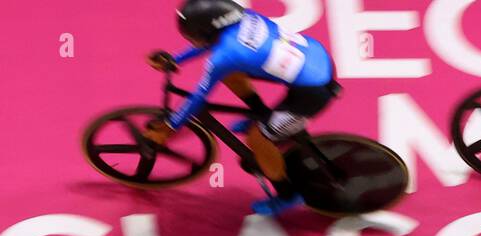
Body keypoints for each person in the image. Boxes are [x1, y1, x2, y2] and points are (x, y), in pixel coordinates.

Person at [145, 0, 339, 217]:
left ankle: (288, 194)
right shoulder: (245, 18)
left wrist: (171, 126)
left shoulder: (225, 56)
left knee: (257, 139)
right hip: (317, 58)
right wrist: (175, 59)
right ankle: (263, 115)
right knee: (230, 73)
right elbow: (212, 41)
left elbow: (199, 96)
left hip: (312, 92)